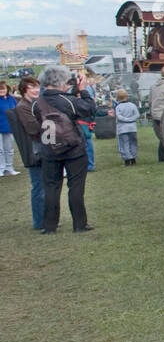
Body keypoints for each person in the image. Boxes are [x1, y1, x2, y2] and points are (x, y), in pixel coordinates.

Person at [34, 64, 96, 233]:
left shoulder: (37, 103)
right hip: (73, 149)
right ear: (61, 81)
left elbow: (35, 125)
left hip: (49, 150)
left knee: (51, 188)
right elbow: (90, 109)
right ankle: (79, 223)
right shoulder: (68, 101)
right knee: (75, 187)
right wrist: (83, 91)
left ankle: (49, 226)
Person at [6, 76, 45, 228]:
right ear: (24, 90)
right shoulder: (23, 106)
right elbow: (33, 128)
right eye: (32, 87)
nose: (36, 90)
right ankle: (40, 221)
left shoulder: (35, 103)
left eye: (37, 87)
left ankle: (45, 217)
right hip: (34, 151)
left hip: (41, 147)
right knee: (38, 187)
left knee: (44, 186)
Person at [109, 87, 141, 165]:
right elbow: (137, 114)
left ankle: (127, 159)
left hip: (122, 128)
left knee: (124, 144)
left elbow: (119, 117)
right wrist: (131, 119)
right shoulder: (132, 105)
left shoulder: (118, 107)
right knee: (133, 143)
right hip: (132, 128)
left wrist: (126, 119)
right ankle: (133, 158)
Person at [77, 71, 98, 171]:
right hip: (85, 119)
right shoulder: (88, 88)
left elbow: (89, 105)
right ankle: (88, 163)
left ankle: (89, 164)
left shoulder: (86, 89)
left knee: (86, 142)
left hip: (83, 119)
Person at [0, 80, 17, 175]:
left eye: (3, 88)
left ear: (7, 89)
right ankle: (1, 168)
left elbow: (16, 109)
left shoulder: (11, 99)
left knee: (9, 149)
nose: (2, 90)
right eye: (0, 89)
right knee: (0, 150)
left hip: (9, 127)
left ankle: (9, 167)